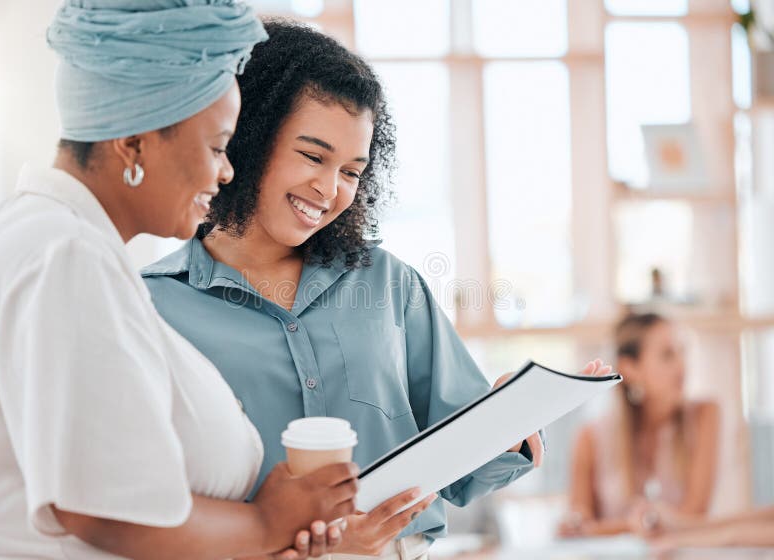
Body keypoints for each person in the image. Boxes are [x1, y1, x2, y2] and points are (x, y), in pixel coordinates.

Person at [142, 20, 612, 560]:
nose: (329, 188)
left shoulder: (388, 284)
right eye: (313, 156)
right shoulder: (156, 306)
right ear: (247, 137)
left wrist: (507, 421)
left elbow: (465, 472)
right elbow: (151, 503)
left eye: (351, 170)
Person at [0, 3, 361, 558]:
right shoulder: (67, 255)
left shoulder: (53, 238)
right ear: (134, 143)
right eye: (214, 146)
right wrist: (264, 526)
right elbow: (101, 510)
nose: (227, 170)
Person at [559, 312, 719, 538]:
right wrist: (580, 525)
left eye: (682, 352)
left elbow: (694, 514)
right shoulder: (590, 437)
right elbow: (579, 524)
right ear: (630, 369)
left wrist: (605, 529)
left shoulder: (704, 416)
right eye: (667, 355)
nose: (682, 366)